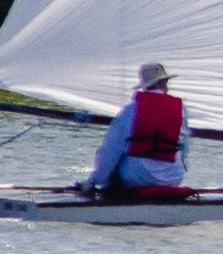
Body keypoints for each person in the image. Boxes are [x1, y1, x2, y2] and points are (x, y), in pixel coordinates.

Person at [80, 63, 191, 200]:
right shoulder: (181, 109)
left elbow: (111, 151)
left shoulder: (131, 110)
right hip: (173, 178)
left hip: (137, 179)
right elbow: (185, 150)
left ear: (144, 85)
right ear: (163, 82)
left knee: (116, 160)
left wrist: (92, 182)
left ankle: (110, 208)